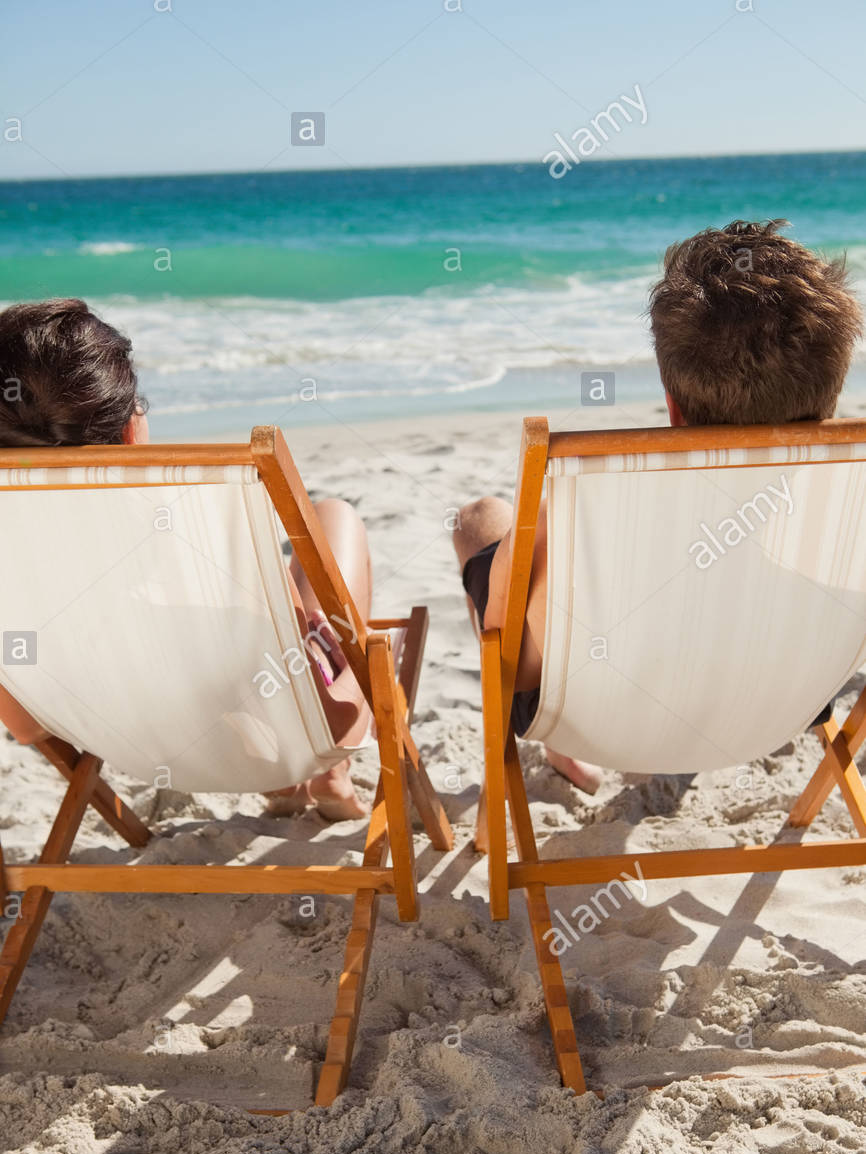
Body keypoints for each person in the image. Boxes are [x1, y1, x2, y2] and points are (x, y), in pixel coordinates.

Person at [453, 220, 863, 789]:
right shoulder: (846, 509)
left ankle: (562, 753)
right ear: (830, 397)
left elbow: (513, 671)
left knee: (480, 520)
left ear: (672, 405)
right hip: (782, 711)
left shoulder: (579, 522)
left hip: (598, 726)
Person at [0, 298, 372, 820]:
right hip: (296, 746)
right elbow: (325, 712)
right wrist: (356, 664)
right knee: (336, 518)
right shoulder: (193, 523)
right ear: (130, 430)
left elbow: (26, 727)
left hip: (132, 750)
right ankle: (333, 775)